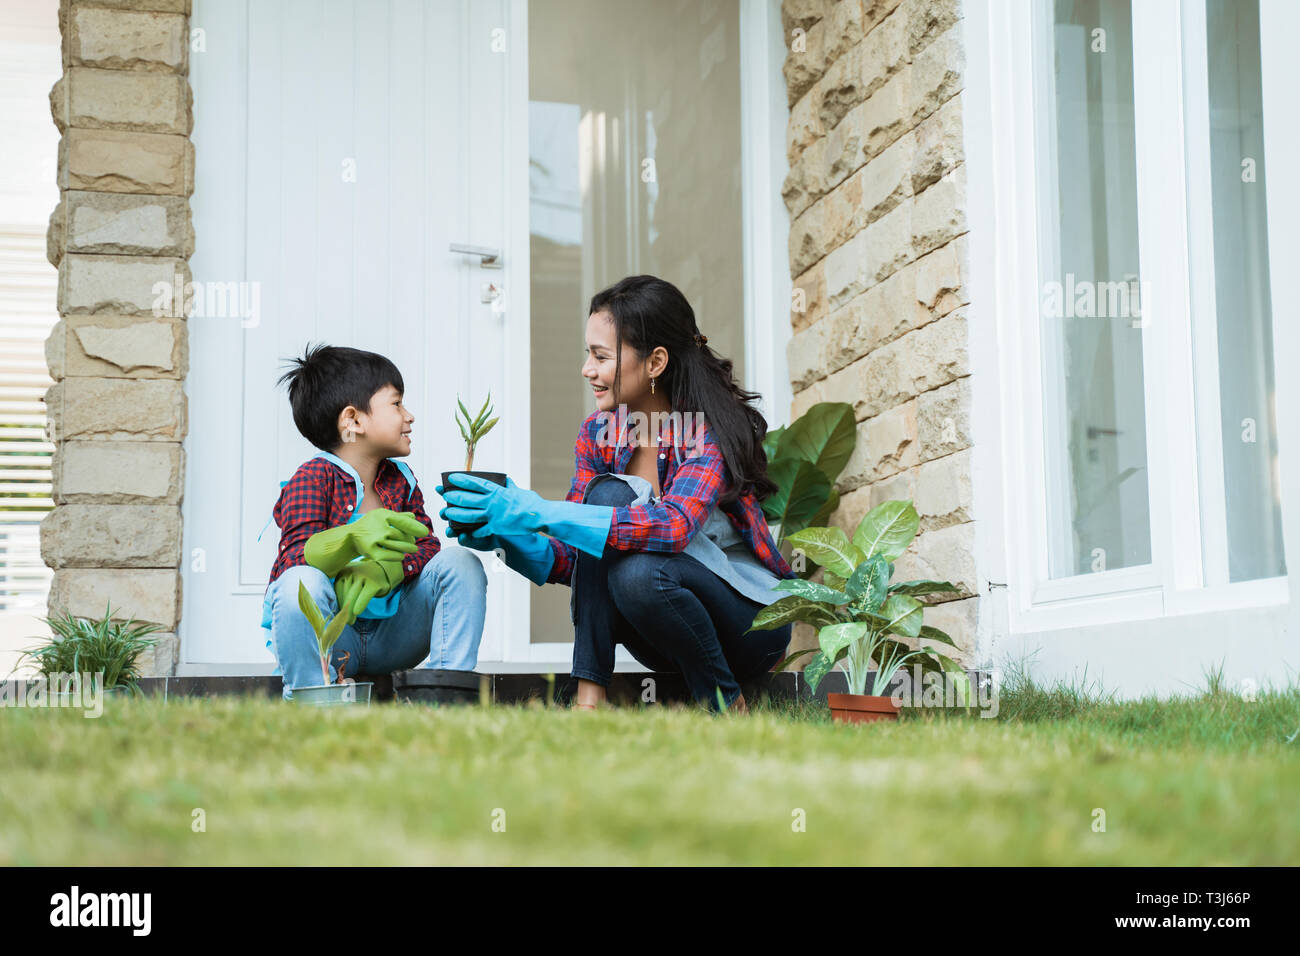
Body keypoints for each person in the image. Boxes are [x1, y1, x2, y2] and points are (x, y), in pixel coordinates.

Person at [437, 275, 795, 714]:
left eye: (601, 356)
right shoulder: (599, 434)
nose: (587, 369)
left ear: (655, 362)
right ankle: (591, 696)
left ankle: (718, 698)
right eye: (588, 354)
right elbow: (580, 561)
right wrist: (508, 534)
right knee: (627, 565)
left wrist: (539, 510)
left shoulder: (706, 431)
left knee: (617, 520)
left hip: (749, 624)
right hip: (663, 622)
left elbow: (674, 528)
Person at [260, 343, 487, 700]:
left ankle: (444, 696)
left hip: (395, 632)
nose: (409, 415)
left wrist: (389, 571)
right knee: (297, 583)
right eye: (396, 404)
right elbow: (294, 561)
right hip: (334, 637)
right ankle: (313, 697)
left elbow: (427, 547)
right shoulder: (312, 479)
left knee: (460, 564)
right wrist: (348, 540)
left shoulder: (399, 479)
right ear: (353, 420)